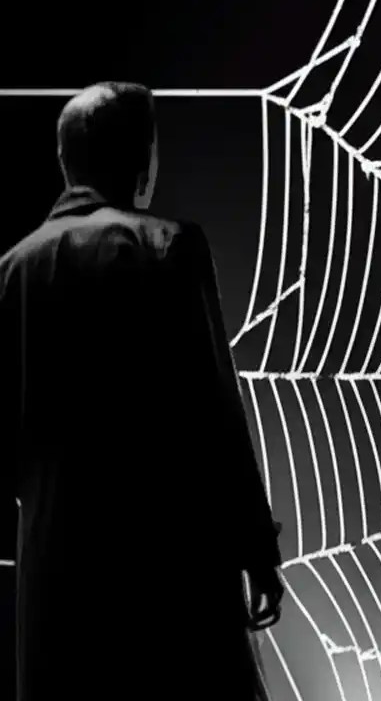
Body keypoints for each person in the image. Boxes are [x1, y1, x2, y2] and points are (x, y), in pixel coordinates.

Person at [1, 82, 285, 699]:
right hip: (167, 570)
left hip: (55, 578)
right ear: (137, 157)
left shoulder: (12, 270)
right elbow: (216, 413)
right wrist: (257, 548)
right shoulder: (168, 247)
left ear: (64, 161)